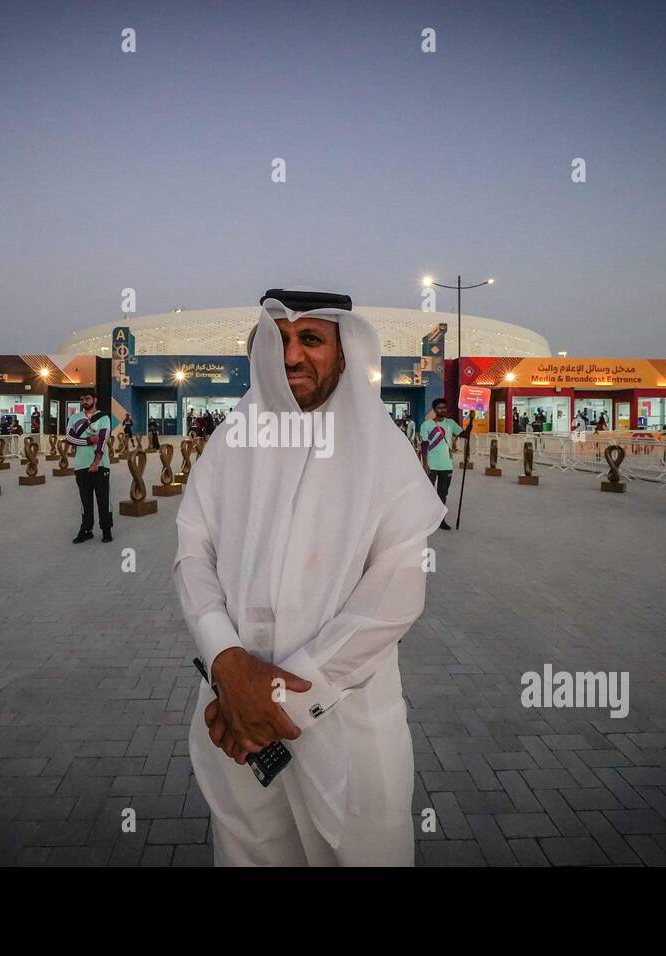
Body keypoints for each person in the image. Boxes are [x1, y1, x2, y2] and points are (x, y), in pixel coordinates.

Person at [174, 288, 445, 867]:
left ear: (345, 352)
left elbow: (396, 595)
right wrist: (226, 659)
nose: (292, 356)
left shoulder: (384, 453)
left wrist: (276, 703)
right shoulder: (229, 442)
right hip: (236, 725)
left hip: (342, 723)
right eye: (279, 340)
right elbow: (192, 554)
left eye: (311, 339)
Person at [64, 389, 112, 543]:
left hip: (101, 465)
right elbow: (69, 438)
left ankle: (106, 530)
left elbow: (103, 439)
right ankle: (86, 529)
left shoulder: (103, 417)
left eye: (87, 398)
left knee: (103, 499)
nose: (84, 401)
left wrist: (96, 462)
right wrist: (89, 441)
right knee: (85, 501)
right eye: (82, 399)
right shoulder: (75, 418)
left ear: (95, 400)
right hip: (81, 465)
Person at [420, 397, 473, 531]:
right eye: (439, 408)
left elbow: (465, 435)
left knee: (442, 494)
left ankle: (440, 520)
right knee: (428, 493)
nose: (442, 410)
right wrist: (425, 464)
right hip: (431, 464)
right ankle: (425, 519)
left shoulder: (450, 423)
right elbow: (424, 445)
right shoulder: (426, 425)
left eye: (444, 408)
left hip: (446, 465)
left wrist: (471, 420)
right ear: (434, 409)